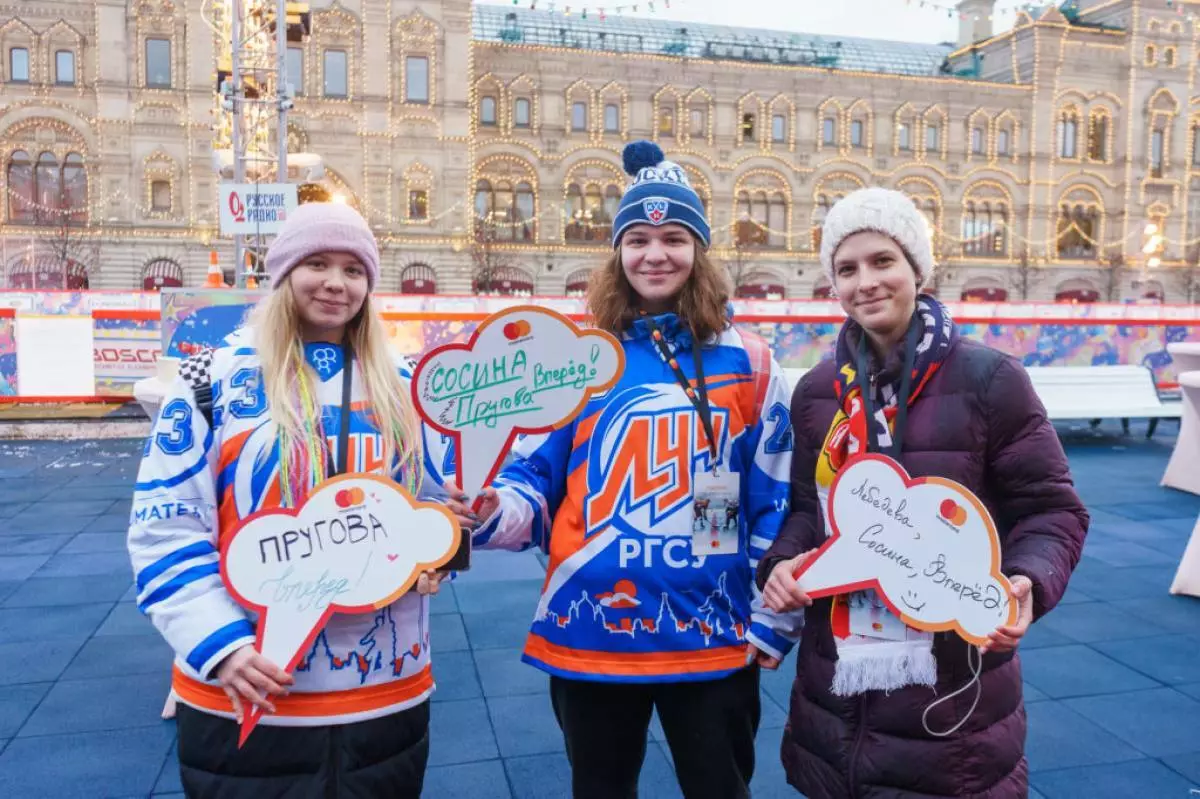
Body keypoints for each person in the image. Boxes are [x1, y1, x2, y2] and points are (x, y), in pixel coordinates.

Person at [445, 141, 800, 799]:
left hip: (713, 634)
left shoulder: (750, 360)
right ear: (617, 253)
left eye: (673, 236)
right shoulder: (579, 361)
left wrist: (773, 619)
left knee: (721, 790)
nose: (655, 252)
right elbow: (535, 479)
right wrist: (497, 508)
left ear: (699, 249)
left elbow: (774, 494)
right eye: (637, 238)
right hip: (590, 632)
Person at [758, 187, 1089, 797]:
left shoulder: (989, 379)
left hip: (950, 691)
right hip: (836, 688)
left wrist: (1026, 582)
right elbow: (809, 511)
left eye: (883, 261)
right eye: (847, 269)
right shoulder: (819, 391)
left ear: (917, 269)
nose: (866, 283)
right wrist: (781, 563)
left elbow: (1051, 509)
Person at [128, 202, 447, 797]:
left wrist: (438, 556)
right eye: (317, 263)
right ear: (282, 275)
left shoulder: (403, 385)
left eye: (354, 270)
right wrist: (222, 647)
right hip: (250, 695)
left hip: (383, 694)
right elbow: (165, 528)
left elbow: (433, 513)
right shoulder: (212, 381)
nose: (336, 282)